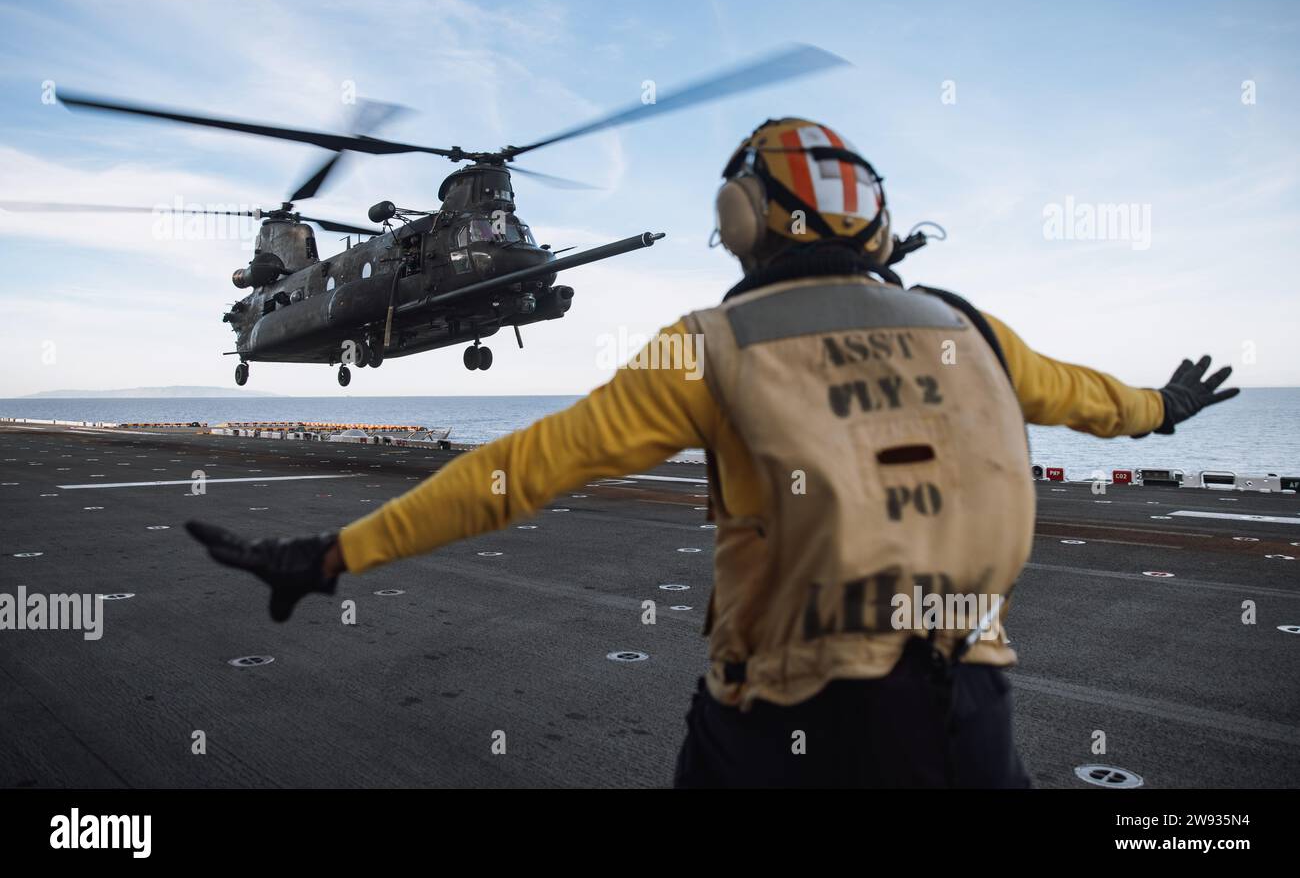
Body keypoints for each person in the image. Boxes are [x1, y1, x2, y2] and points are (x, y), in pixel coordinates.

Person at [187, 118, 1239, 788]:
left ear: (742, 221)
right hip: (967, 714)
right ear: (874, 223)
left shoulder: (713, 343)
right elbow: (1084, 396)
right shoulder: (962, 325)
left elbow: (520, 470)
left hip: (780, 727)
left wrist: (333, 553)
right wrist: (1166, 406)